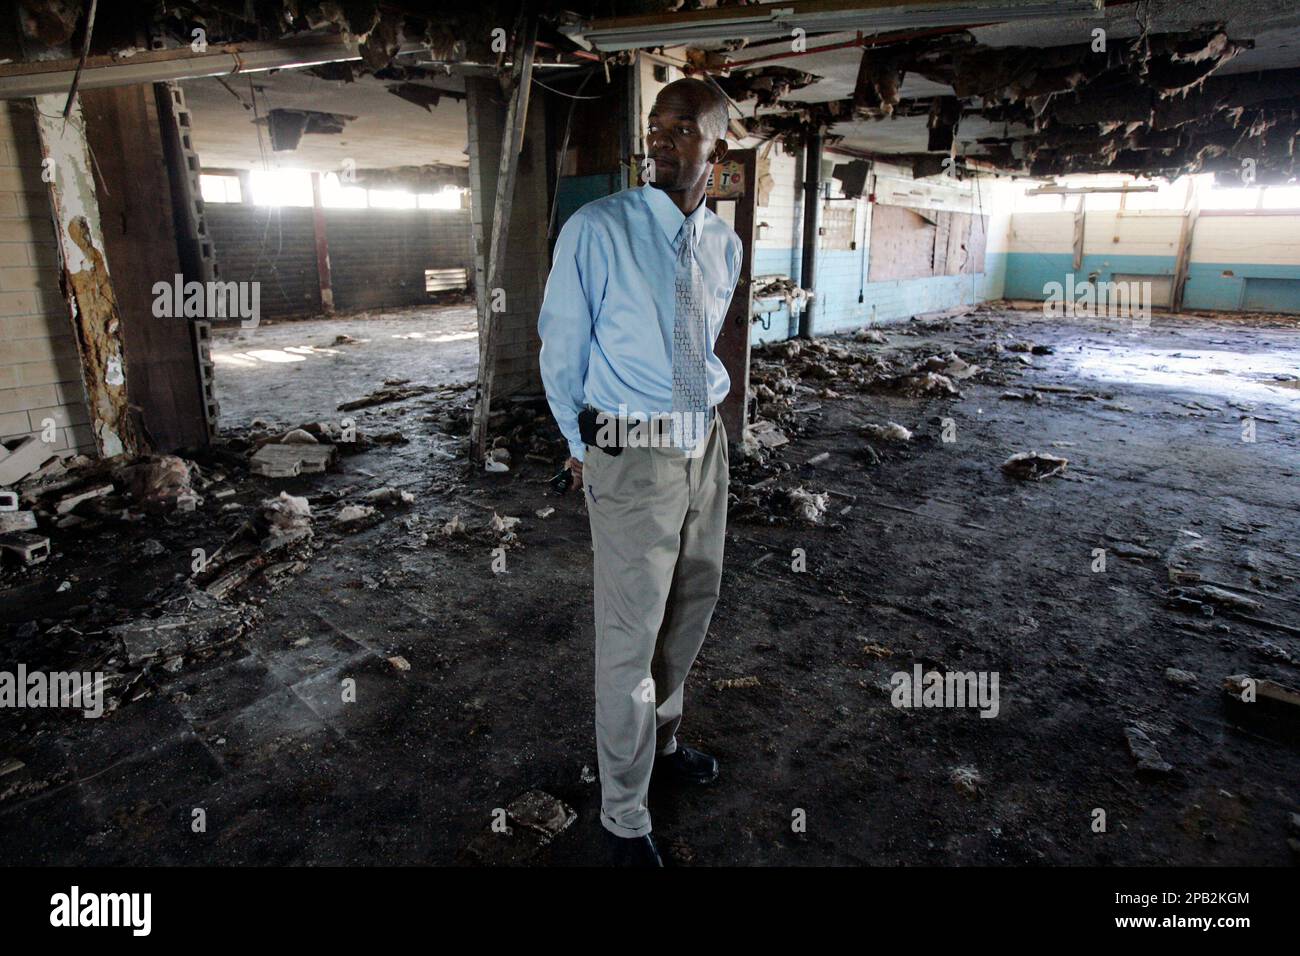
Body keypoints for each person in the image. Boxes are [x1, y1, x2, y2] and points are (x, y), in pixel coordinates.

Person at [538, 77, 742, 866]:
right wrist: (581, 447)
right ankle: (624, 814)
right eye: (656, 126)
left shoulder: (722, 245)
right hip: (631, 450)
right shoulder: (597, 229)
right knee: (629, 635)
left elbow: (701, 350)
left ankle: (664, 744)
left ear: (715, 149)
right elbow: (561, 348)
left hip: (704, 444)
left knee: (691, 604)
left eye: (682, 128)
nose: (660, 139)